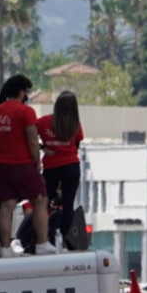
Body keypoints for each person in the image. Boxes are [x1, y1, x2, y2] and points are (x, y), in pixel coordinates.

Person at [0, 74, 54, 256]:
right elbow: (32, 139)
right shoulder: (25, 112)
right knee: (40, 200)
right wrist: (37, 162)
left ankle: (6, 248)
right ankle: (42, 243)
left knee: (6, 205)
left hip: (0, 165)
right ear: (21, 91)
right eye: (26, 92)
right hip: (22, 163)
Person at [37, 90, 85, 248]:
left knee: (43, 202)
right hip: (72, 166)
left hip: (52, 167)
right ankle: (62, 239)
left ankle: (42, 237)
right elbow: (76, 146)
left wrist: (43, 147)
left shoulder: (44, 122)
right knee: (68, 203)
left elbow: (28, 135)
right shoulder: (75, 125)